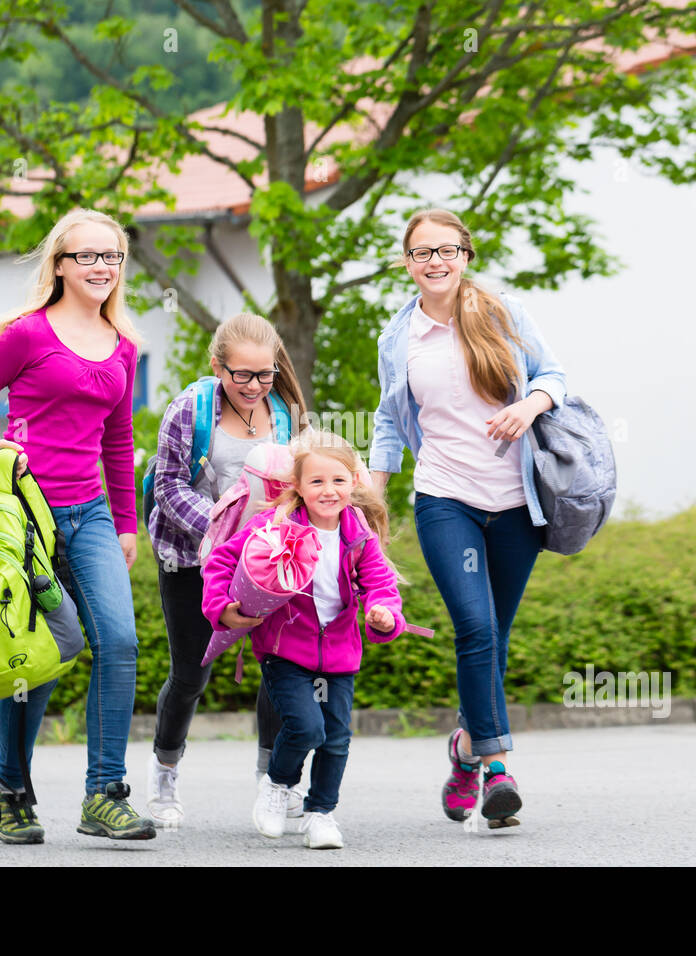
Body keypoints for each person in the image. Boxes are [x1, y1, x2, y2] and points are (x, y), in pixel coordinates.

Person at [0, 207, 154, 843]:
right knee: (33, 654)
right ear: (61, 266)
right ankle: (11, 788)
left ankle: (104, 793)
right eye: (88, 256)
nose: (102, 267)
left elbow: (118, 442)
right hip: (23, 517)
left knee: (118, 642)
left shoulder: (124, 346)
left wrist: (127, 523)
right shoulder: (27, 335)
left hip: (90, 513)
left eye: (112, 256)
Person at [368, 208, 567, 829]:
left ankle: (463, 749)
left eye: (446, 250)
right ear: (407, 262)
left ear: (465, 255)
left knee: (495, 640)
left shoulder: (502, 313)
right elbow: (386, 419)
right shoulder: (397, 338)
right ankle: (499, 767)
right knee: (476, 628)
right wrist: (373, 498)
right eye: (422, 253)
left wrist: (530, 406)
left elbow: (554, 375)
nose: (435, 262)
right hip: (444, 498)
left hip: (516, 504)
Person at [201, 431, 406, 849]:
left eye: (337, 480)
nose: (328, 490)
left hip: (340, 655)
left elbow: (382, 585)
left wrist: (385, 614)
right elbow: (223, 557)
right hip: (284, 651)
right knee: (306, 727)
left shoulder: (360, 536)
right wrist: (219, 606)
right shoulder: (274, 525)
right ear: (297, 486)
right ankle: (278, 785)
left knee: (336, 737)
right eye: (316, 482)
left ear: (353, 482)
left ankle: (320, 813)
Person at [146, 313, 309, 827]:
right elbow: (169, 487)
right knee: (191, 675)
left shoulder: (285, 413)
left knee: (279, 670)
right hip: (194, 557)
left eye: (265, 375)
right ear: (218, 366)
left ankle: (272, 783)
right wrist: (224, 536)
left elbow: (298, 483)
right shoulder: (187, 411)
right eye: (242, 375)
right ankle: (165, 775)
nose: (255, 386)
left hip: (266, 563)